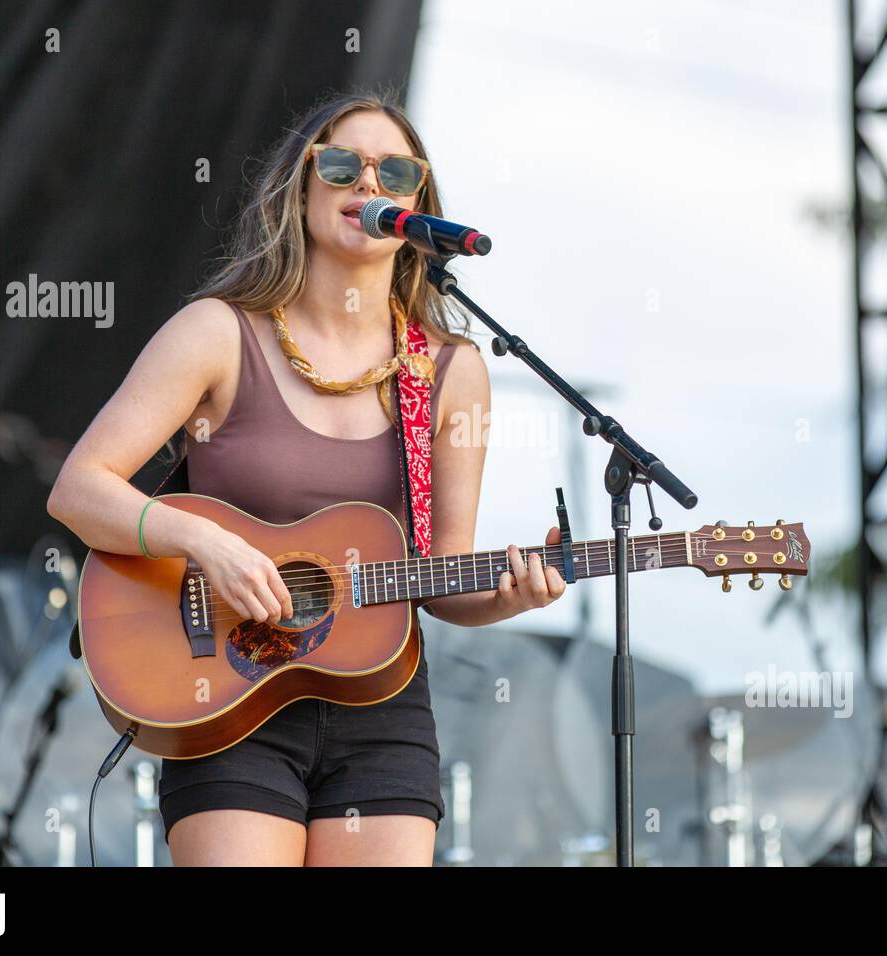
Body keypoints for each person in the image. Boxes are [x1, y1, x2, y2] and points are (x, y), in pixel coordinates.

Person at [46, 90, 567, 866]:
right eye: (341, 167)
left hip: (381, 708)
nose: (368, 187)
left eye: (394, 173)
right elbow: (80, 488)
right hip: (226, 702)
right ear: (300, 188)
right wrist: (205, 542)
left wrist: (507, 596)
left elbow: (437, 575)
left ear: (418, 205)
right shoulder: (218, 333)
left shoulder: (452, 372)